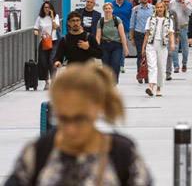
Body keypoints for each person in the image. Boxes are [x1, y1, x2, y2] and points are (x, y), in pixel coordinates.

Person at [6, 62, 152, 185]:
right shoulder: (38, 153)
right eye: (63, 119)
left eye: (80, 119)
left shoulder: (122, 154)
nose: (71, 129)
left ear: (97, 109)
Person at [141, 1, 175, 97]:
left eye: (161, 7)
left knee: (161, 67)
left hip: (162, 45)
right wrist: (143, 47)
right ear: (155, 9)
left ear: (164, 9)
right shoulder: (150, 19)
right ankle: (151, 86)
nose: (159, 9)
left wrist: (172, 43)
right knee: (152, 66)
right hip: (151, 44)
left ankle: (159, 88)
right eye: (158, 7)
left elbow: (171, 33)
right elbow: (147, 34)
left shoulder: (169, 20)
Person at [96, 2, 129, 83]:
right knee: (106, 65)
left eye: (109, 8)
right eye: (106, 8)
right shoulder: (101, 21)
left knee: (116, 63)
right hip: (105, 45)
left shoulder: (117, 20)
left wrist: (125, 47)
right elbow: (98, 36)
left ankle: (114, 81)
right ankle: (106, 81)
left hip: (116, 45)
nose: (108, 10)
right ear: (103, 10)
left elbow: (122, 35)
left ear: (112, 10)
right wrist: (96, 48)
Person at [33, 2, 60, 90]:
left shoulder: (55, 16)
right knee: (43, 62)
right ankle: (47, 81)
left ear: (51, 8)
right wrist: (36, 31)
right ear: (43, 8)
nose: (47, 9)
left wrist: (52, 17)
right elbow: (36, 27)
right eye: (45, 7)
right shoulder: (40, 17)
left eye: (48, 7)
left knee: (52, 61)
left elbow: (55, 27)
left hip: (54, 41)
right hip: (44, 42)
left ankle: (53, 81)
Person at [129, 0, 154, 82]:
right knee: (140, 54)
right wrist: (131, 37)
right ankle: (140, 74)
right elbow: (132, 24)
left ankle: (147, 75)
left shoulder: (153, 8)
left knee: (149, 55)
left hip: (150, 34)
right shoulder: (135, 9)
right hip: (139, 33)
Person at [170, 0, 192, 73]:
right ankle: (176, 66)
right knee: (174, 47)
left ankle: (184, 63)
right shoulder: (172, 3)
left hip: (184, 26)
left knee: (185, 47)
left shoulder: (188, 1)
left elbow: (190, 13)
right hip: (175, 28)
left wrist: (184, 4)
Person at [111, 0, 132, 75]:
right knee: (114, 46)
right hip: (113, 29)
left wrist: (131, 29)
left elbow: (131, 17)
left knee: (123, 46)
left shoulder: (129, 5)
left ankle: (121, 65)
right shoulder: (112, 4)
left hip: (125, 28)